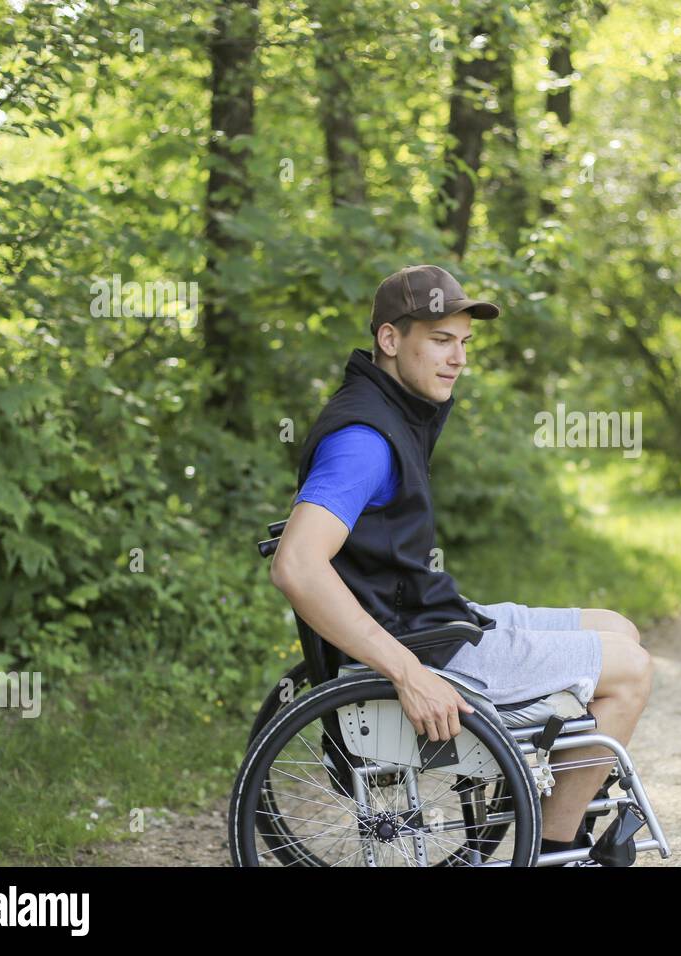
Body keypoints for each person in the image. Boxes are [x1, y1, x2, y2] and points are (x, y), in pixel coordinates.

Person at [268, 263, 654, 863]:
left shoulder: (393, 409)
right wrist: (406, 672)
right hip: (423, 647)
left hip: (430, 618)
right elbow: (296, 565)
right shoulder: (363, 439)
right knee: (629, 670)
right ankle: (557, 846)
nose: (458, 359)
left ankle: (567, 801)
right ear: (390, 341)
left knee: (617, 626)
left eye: (464, 343)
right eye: (441, 341)